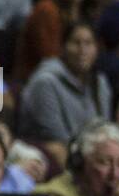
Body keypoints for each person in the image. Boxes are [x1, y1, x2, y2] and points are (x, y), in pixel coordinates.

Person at [19, 20, 112, 169]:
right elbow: (55, 137)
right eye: (76, 43)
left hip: (93, 161)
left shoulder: (100, 83)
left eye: (89, 43)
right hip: (52, 161)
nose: (83, 50)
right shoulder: (45, 82)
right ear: (62, 47)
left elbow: (106, 130)